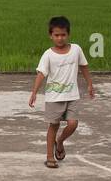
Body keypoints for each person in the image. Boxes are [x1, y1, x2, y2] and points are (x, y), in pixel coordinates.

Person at [28, 16, 95, 168]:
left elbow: (84, 66)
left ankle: (60, 141)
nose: (60, 38)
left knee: (73, 123)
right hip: (54, 97)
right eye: (56, 35)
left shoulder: (76, 50)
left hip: (72, 96)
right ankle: (50, 156)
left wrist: (90, 84)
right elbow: (41, 74)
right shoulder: (48, 54)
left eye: (63, 34)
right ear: (50, 35)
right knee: (54, 125)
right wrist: (34, 93)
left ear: (68, 34)